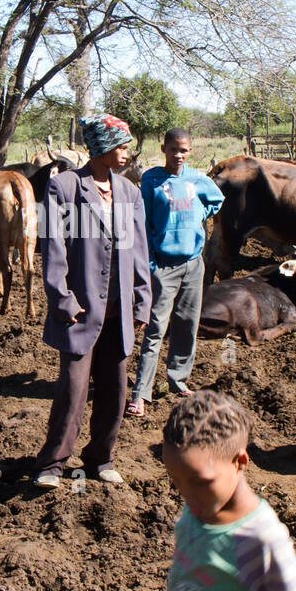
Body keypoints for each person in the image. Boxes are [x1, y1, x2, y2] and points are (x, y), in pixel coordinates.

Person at [161, 391, 296, 591]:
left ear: (240, 461)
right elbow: (186, 569)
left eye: (201, 482)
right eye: (176, 481)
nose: (187, 495)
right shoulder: (196, 511)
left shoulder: (260, 538)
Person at [33, 114, 151, 489]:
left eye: (127, 146)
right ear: (100, 147)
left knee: (115, 390)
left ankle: (101, 457)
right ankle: (52, 464)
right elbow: (52, 250)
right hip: (80, 310)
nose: (126, 153)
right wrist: (63, 299)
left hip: (120, 311)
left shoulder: (130, 193)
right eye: (120, 146)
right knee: (73, 389)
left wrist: (141, 301)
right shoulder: (64, 188)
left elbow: (139, 251)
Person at [126, 128, 225, 418]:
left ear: (190, 151)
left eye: (183, 150)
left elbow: (216, 201)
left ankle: (178, 379)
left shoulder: (197, 179)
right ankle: (140, 392)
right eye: (173, 149)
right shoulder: (152, 181)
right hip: (163, 267)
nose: (178, 155)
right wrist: (151, 265)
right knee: (154, 328)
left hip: (194, 264)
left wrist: (198, 218)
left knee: (187, 325)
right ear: (163, 149)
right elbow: (142, 222)